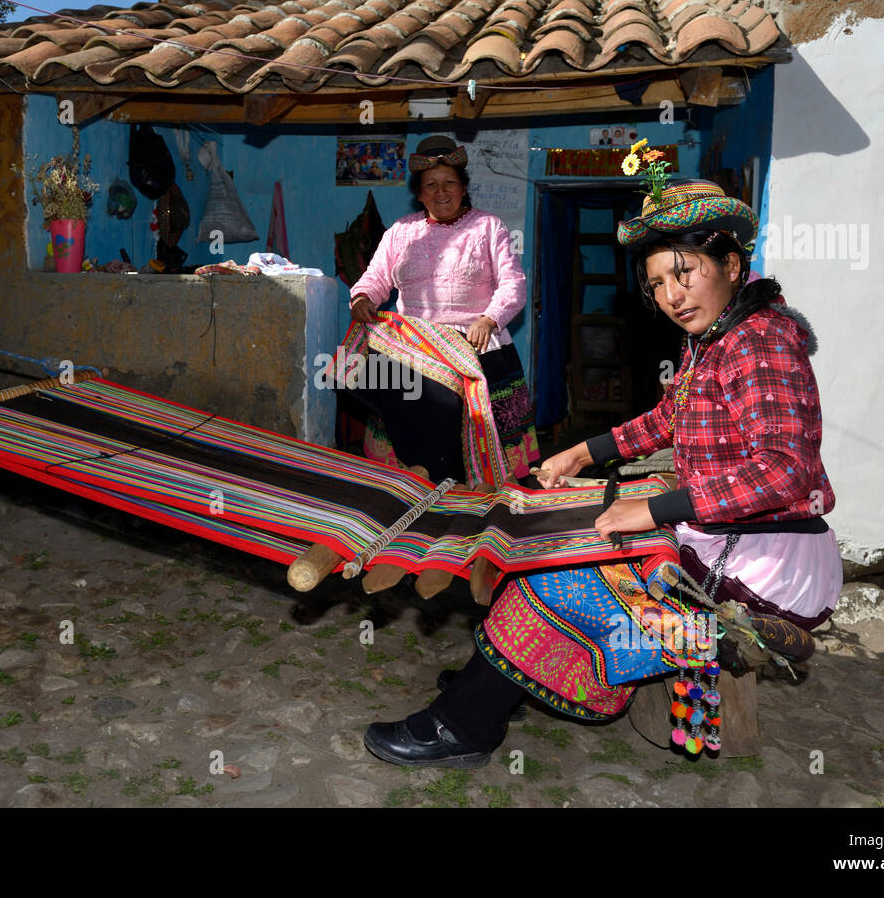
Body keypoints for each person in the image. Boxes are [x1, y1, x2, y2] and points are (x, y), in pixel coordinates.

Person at [363, 178, 842, 768]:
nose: (672, 294)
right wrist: (581, 454)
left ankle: (464, 727)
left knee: (560, 578)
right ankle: (497, 681)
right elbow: (668, 419)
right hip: (733, 539)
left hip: (767, 565)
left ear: (731, 264)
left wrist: (652, 510)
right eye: (659, 282)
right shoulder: (716, 339)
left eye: (685, 272)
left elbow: (784, 472)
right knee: (548, 537)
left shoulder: (760, 342)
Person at [346, 135, 539, 483]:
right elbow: (375, 277)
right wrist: (362, 298)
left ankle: (483, 513)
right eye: (430, 185)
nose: (441, 192)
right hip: (414, 351)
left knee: (477, 448)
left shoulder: (488, 227)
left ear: (464, 187)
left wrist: (490, 318)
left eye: (449, 182)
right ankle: (416, 505)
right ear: (418, 194)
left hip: (478, 348)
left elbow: (514, 284)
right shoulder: (401, 232)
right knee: (415, 438)